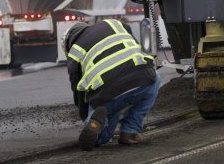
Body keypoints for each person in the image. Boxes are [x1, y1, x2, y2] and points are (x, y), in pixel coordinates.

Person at [62, 19, 160, 150]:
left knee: (103, 133)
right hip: (142, 80)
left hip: (107, 94)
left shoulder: (75, 51)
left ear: (69, 43)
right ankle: (130, 132)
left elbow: (78, 91)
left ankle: (96, 125)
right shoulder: (113, 23)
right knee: (155, 79)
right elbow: (130, 35)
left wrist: (87, 116)